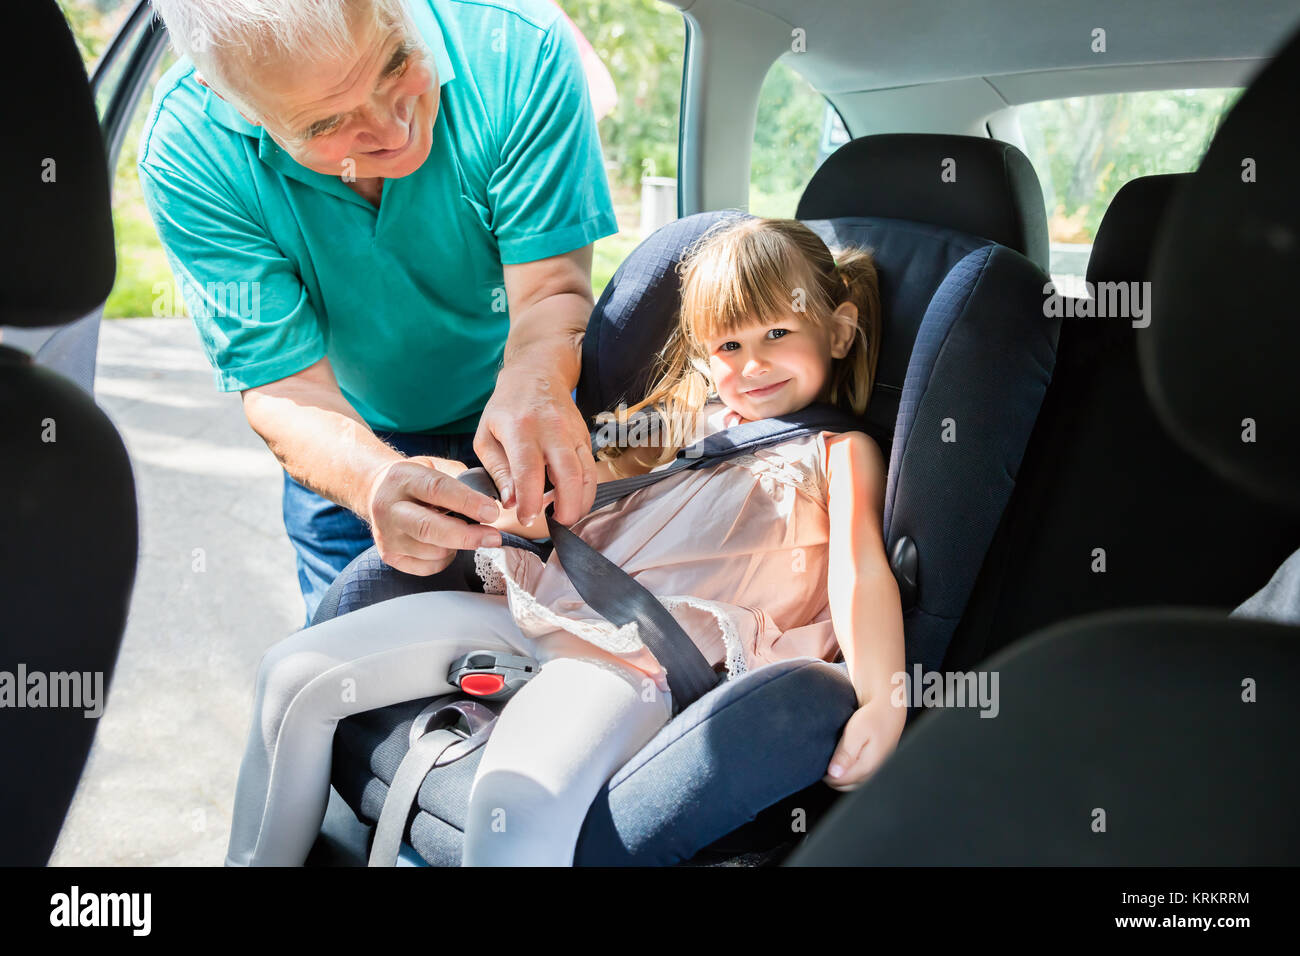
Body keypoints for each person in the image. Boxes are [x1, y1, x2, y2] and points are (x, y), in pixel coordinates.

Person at [224, 217, 907, 866]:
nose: (752, 364)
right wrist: (499, 501)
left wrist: (884, 698)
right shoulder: (682, 423)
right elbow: (586, 493)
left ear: (839, 331)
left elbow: (858, 572)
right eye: (729, 346)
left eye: (778, 333)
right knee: (292, 676)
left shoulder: (837, 451)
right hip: (542, 602)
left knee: (512, 803)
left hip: (639, 658)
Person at [138, 0, 618, 624]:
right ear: (233, 101)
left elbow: (551, 293)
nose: (393, 132)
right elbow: (286, 387)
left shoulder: (519, 47)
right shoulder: (189, 150)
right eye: (327, 123)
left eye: (396, 64)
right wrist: (372, 483)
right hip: (348, 439)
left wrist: (537, 379)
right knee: (358, 665)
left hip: (532, 404)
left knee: (569, 637)